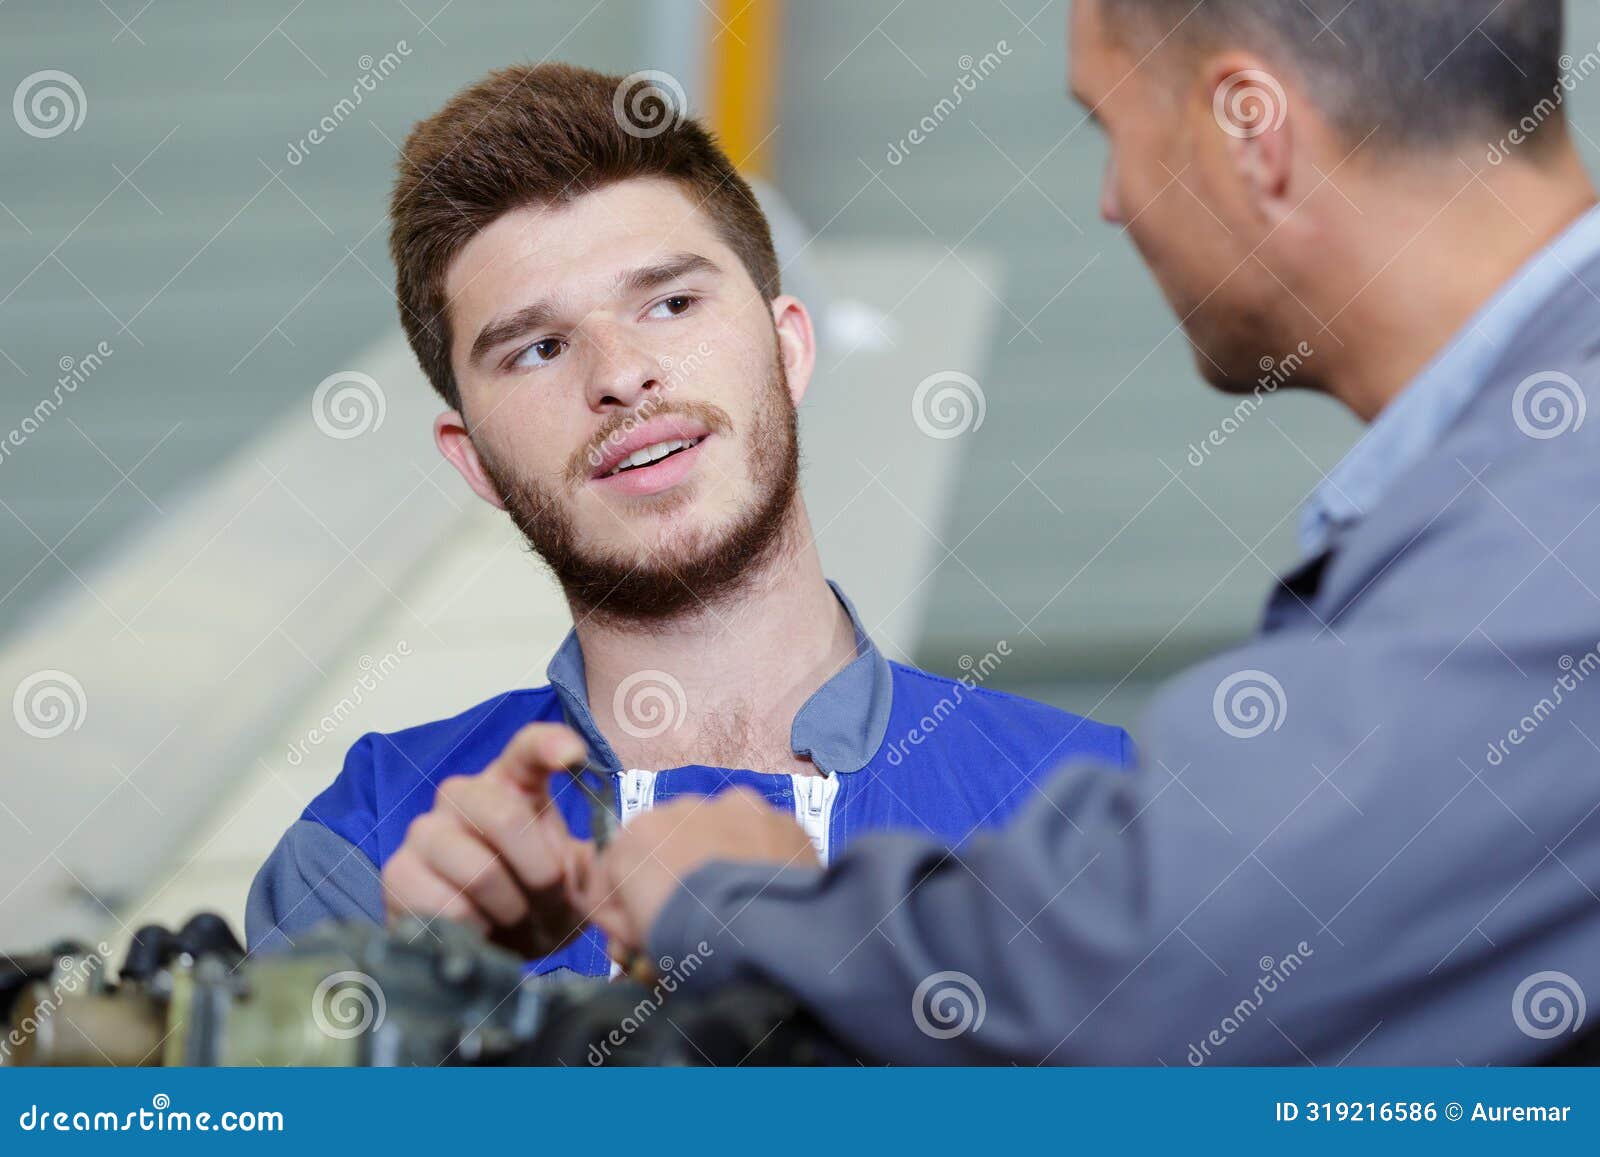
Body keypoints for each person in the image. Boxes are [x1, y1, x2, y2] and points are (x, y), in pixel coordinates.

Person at [563, 0, 1600, 1062]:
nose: (1113, 203)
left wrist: (737, 899)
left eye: (1112, 132)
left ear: (1254, 130)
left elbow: (1152, 965)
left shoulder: (1559, 509)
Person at [244, 63, 1132, 975]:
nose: (620, 373)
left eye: (670, 302)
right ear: (474, 460)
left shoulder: (1092, 814)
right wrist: (442, 1010)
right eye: (539, 348)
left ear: (788, 351)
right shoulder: (369, 854)